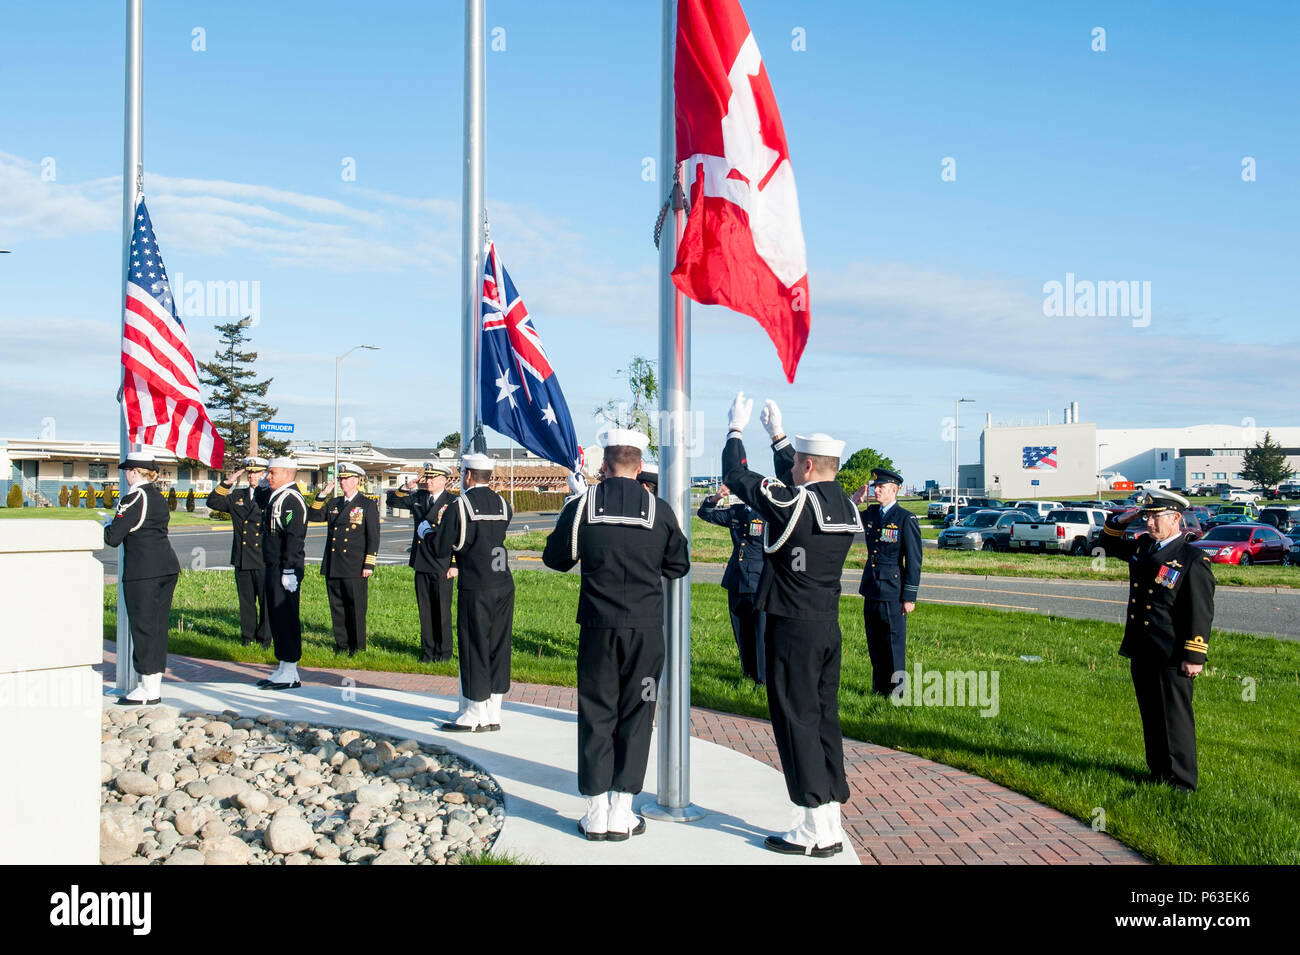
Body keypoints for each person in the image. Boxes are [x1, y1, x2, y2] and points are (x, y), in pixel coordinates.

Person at [720, 394, 857, 857]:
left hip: (792, 627)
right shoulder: (845, 508)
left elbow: (738, 478)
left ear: (809, 467)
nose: (794, 468)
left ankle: (812, 828)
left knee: (795, 721)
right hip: (827, 627)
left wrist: (735, 432)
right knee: (823, 721)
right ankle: (831, 820)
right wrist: (780, 438)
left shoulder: (796, 502)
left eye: (798, 462)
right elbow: (791, 489)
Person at [542, 429, 690, 841]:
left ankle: (595, 811)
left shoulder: (584, 504)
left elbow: (556, 560)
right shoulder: (658, 509)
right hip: (645, 631)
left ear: (603, 466)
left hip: (598, 628)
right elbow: (678, 566)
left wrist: (571, 505)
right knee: (637, 714)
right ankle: (623, 811)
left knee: (596, 713)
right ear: (639, 466)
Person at [1099, 489, 1214, 791]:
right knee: (1151, 715)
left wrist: (1195, 655)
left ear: (1176, 518)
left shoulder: (1191, 558)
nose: (1149, 523)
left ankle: (1183, 782)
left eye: (1155, 516)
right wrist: (1127, 516)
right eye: (1147, 516)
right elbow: (1108, 543)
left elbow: (1200, 611)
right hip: (1143, 648)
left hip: (1172, 652)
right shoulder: (1143, 548)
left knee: (1174, 719)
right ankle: (1159, 772)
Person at [418, 452, 513, 732]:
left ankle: (474, 711)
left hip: (477, 584)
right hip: (504, 583)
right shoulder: (503, 504)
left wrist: (426, 532)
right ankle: (493, 711)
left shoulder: (461, 505)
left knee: (475, 644)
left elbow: (442, 546)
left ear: (468, 475)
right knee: (498, 646)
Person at [105, 448, 181, 706]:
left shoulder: (133, 497)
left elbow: (113, 537)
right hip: (166, 567)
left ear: (134, 472)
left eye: (128, 470)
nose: (126, 474)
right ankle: (153, 686)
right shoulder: (157, 496)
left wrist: (107, 523)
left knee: (144, 627)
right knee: (158, 628)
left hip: (143, 572)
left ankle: (146, 688)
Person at [853, 467, 922, 695]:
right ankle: (879, 688)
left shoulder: (904, 518)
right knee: (875, 643)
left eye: (881, 487)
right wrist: (855, 500)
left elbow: (914, 560)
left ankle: (897, 693)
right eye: (875, 487)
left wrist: (909, 597)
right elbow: (846, 521)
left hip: (893, 591)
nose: (876, 491)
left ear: (894, 490)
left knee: (893, 644)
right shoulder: (872, 513)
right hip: (872, 588)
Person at [697, 482, 766, 685]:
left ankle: (762, 679)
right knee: (741, 630)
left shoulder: (768, 515)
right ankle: (748, 674)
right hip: (736, 580)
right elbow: (705, 514)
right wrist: (716, 497)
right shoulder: (736, 512)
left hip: (758, 581)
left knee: (760, 633)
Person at [386, 461, 455, 662]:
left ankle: (443, 653)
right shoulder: (418, 498)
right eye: (427, 477)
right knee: (425, 610)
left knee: (442, 610)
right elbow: (392, 502)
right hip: (422, 561)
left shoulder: (452, 502)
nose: (429, 481)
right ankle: (427, 651)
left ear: (444, 480)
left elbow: (457, 537)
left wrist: (454, 563)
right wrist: (406, 488)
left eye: (433, 477)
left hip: (442, 563)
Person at [309, 462, 380, 657]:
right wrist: (322, 494)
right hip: (334, 563)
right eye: (341, 479)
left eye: (346, 479)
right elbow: (314, 515)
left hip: (355, 565)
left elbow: (373, 537)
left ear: (356, 480)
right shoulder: (333, 504)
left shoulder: (367, 505)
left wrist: (369, 564)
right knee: (337, 606)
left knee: (355, 606)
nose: (342, 482)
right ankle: (342, 645)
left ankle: (357, 647)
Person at [206, 456, 272, 647]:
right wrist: (228, 482)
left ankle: (265, 638)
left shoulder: (270, 496)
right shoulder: (238, 496)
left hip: (263, 558)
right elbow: (213, 501)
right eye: (250, 473)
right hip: (242, 557)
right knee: (246, 602)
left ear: (264, 474)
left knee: (265, 603)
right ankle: (247, 637)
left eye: (257, 473)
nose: (252, 477)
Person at [255, 457, 308, 690]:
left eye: (272, 473)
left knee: (286, 617)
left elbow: (293, 537)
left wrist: (289, 570)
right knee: (277, 618)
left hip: (284, 567)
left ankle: (290, 670)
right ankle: (283, 666)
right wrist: (261, 487)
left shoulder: (291, 500)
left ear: (287, 474)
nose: (268, 476)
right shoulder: (278, 495)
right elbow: (259, 502)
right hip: (273, 565)